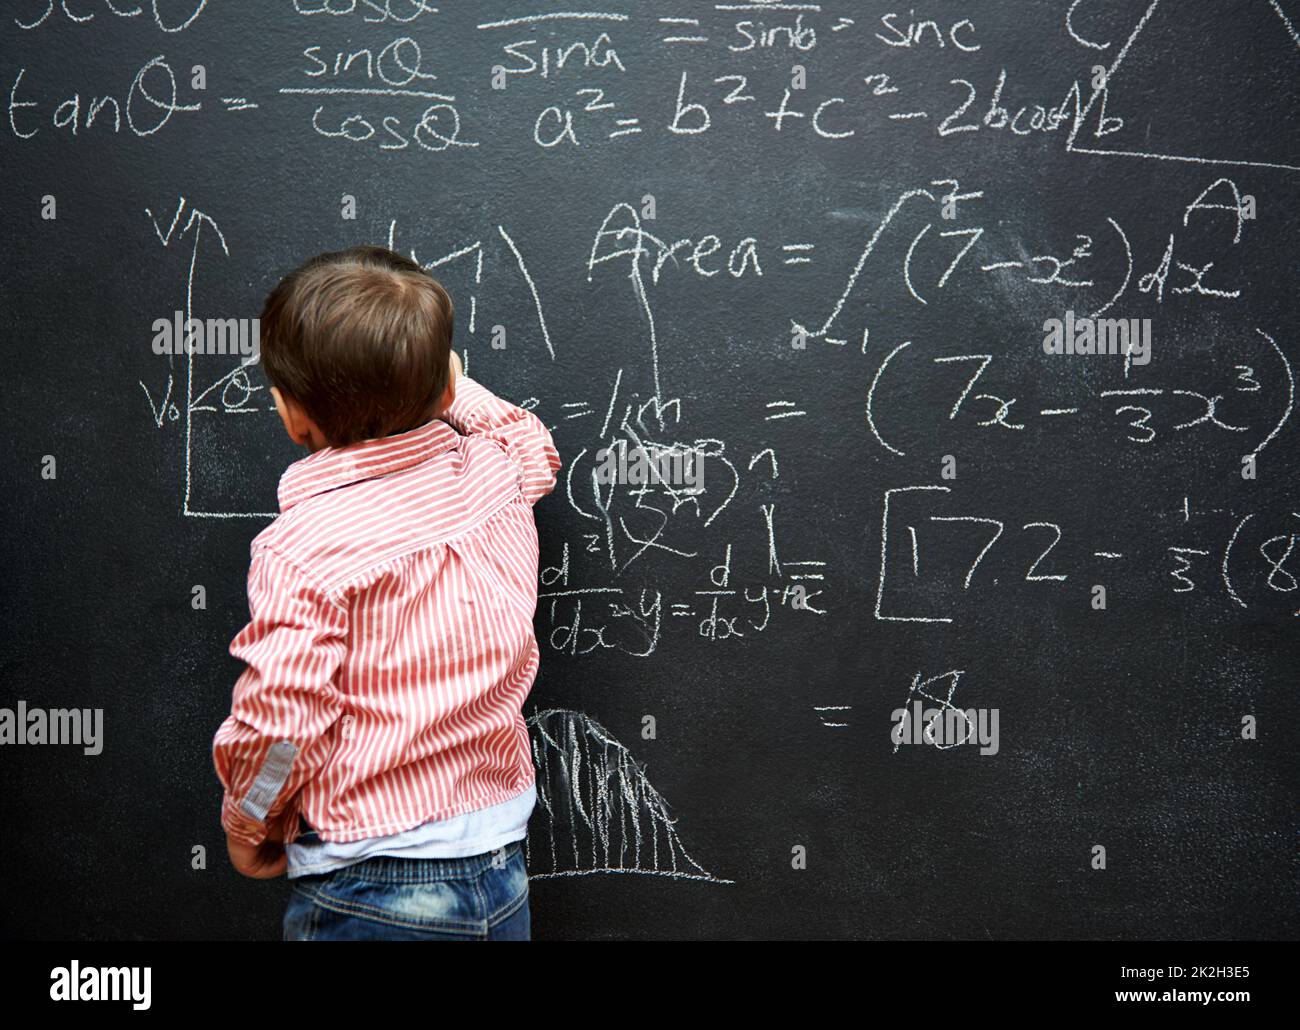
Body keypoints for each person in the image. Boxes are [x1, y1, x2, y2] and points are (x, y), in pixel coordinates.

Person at [211, 245, 560, 940]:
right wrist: (461, 393)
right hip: (499, 861)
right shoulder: (496, 477)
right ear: (444, 393)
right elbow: (531, 442)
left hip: (372, 879)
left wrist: (254, 815)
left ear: (292, 416)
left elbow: (282, 722)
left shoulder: (303, 547)